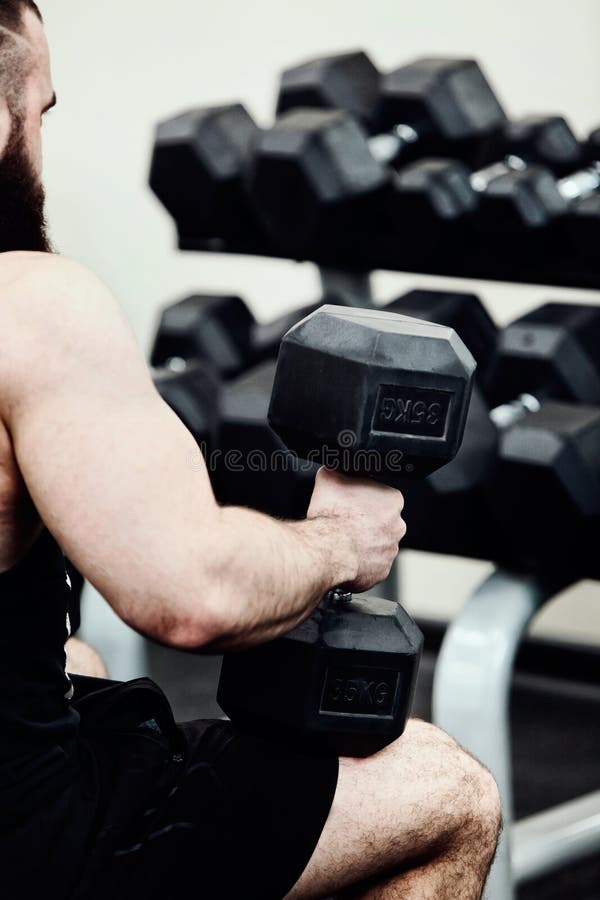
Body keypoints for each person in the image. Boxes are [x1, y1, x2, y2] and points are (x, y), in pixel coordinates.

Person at [0, 2, 501, 898]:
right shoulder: (30, 304)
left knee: (82, 664)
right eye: (40, 112)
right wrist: (341, 542)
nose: (41, 145)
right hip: (23, 839)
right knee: (446, 792)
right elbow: (194, 598)